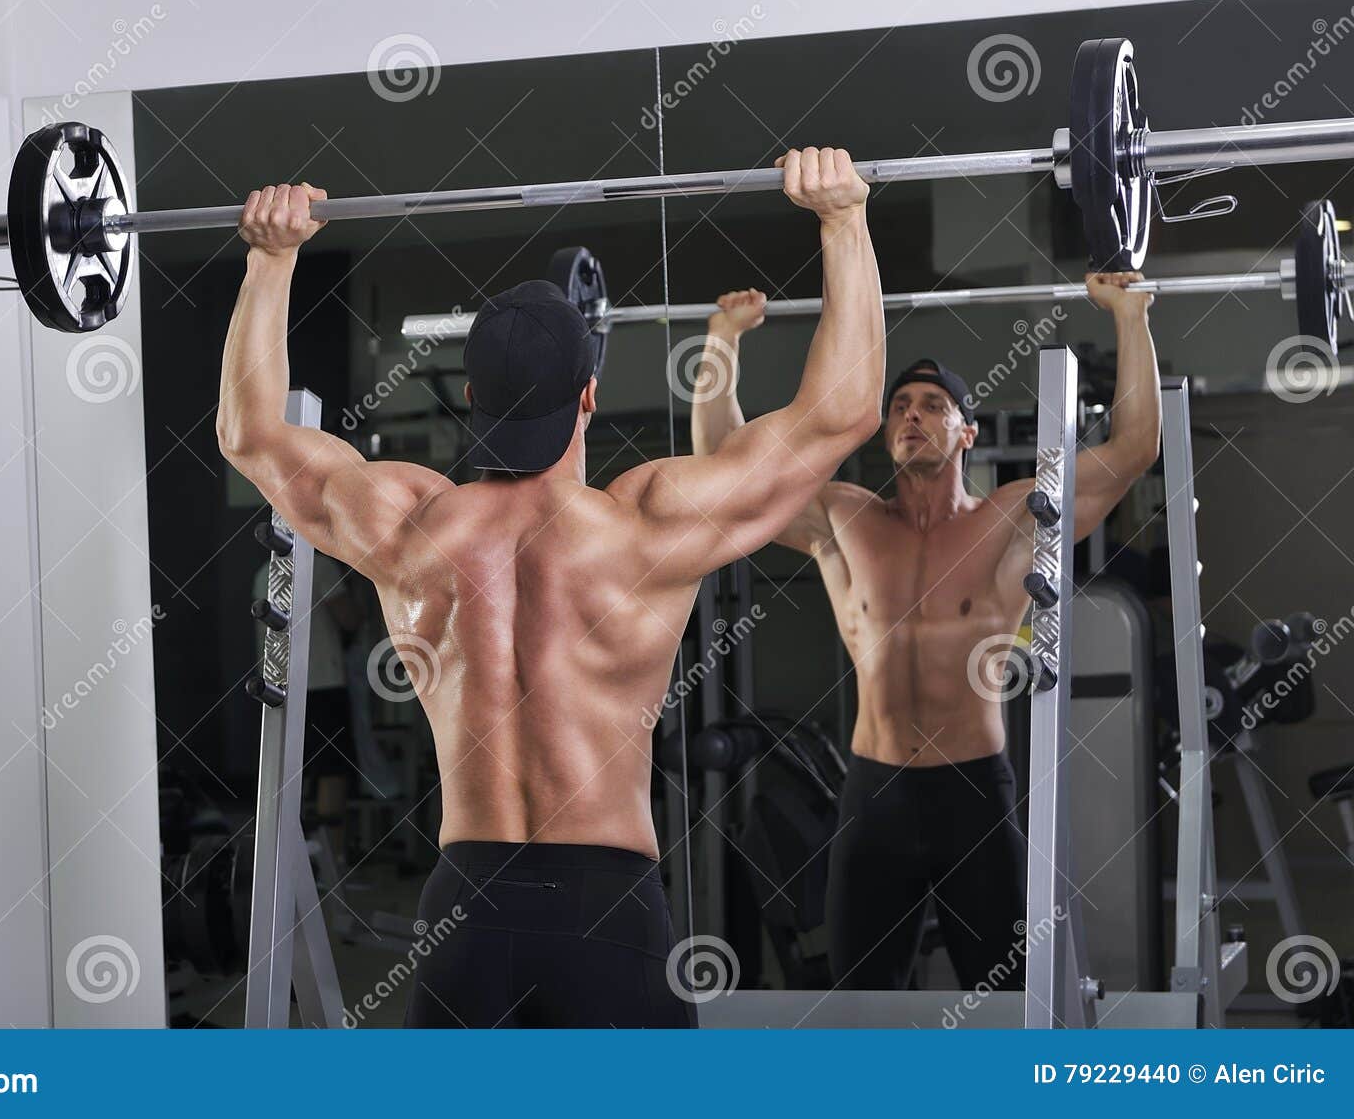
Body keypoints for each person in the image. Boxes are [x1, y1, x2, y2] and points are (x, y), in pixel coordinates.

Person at [215, 147, 885, 1027]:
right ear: (589, 396)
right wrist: (844, 221)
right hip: (607, 913)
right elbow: (845, 410)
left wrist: (270, 260)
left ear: (469, 395)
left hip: (465, 912)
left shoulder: (410, 524)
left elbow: (251, 433)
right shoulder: (646, 524)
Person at [690, 273, 1161, 992]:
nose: (913, 416)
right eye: (901, 407)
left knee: (1010, 1005)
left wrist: (1130, 317)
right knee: (858, 1009)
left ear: (966, 431)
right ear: (884, 432)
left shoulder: (1009, 523)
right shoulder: (842, 521)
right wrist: (722, 343)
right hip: (873, 794)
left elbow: (1132, 449)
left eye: (934, 405)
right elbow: (722, 472)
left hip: (973, 796)